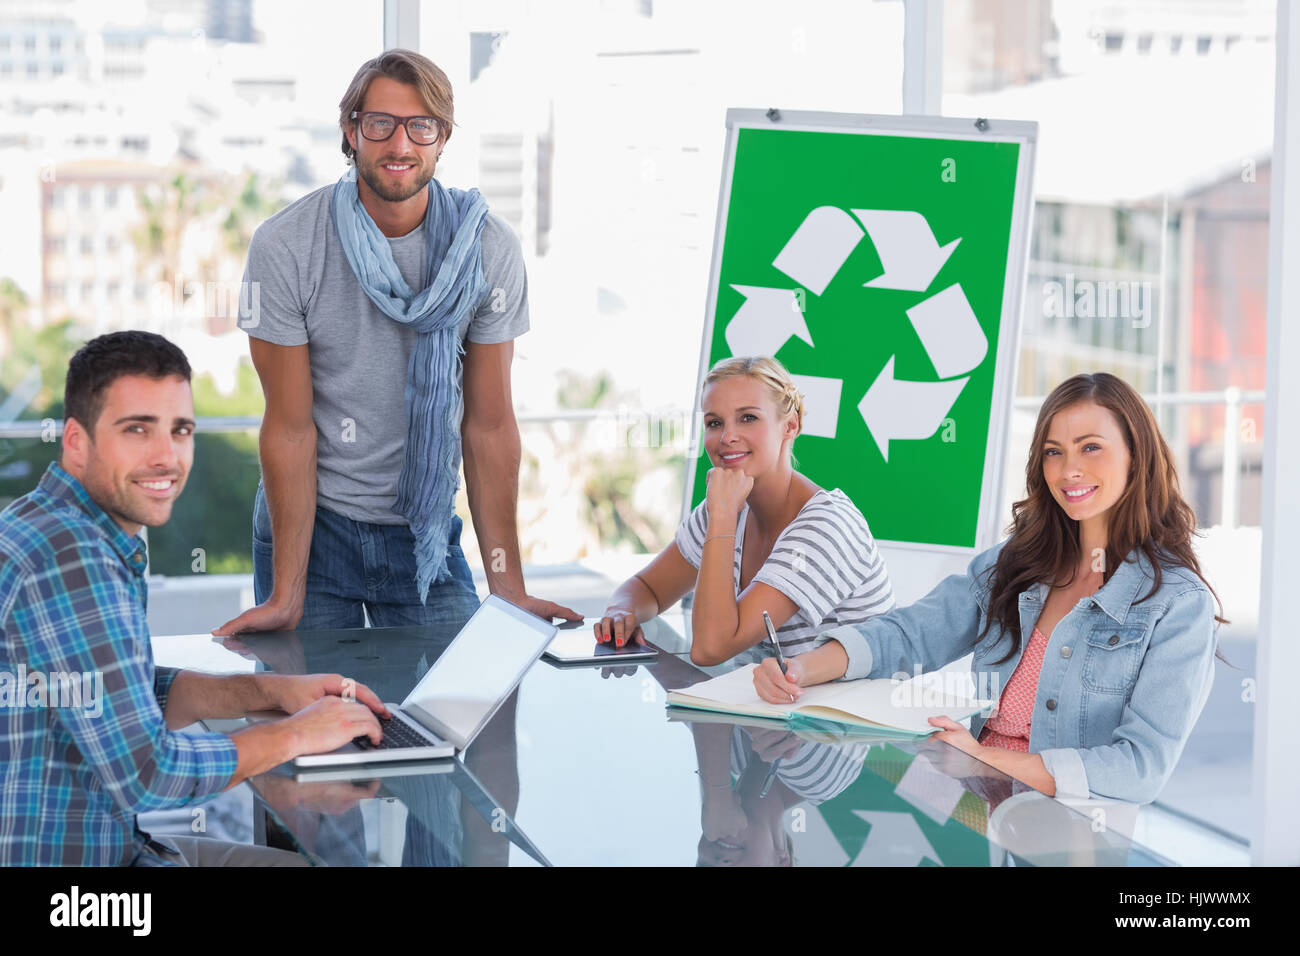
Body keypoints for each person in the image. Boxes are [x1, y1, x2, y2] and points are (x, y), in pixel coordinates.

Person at [215, 49, 578, 638]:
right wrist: (286, 593)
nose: (400, 144)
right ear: (350, 131)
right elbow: (289, 427)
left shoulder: (486, 248)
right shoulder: (285, 246)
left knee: (463, 716)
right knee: (317, 721)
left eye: (421, 126)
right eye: (380, 123)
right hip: (314, 527)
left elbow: (488, 426)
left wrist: (508, 589)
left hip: (427, 530)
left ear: (443, 138)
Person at [0, 332, 390, 866]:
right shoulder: (70, 558)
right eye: (137, 429)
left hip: (108, 846)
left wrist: (269, 691)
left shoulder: (49, 523)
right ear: (75, 440)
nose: (166, 457)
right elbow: (148, 773)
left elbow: (120, 694)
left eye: (180, 430)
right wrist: (296, 735)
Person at [754, 372, 1224, 805]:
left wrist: (981, 759)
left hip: (1065, 836)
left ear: (1136, 455)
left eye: (1091, 447)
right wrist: (800, 668)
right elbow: (912, 633)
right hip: (979, 812)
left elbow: (1140, 767)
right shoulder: (1018, 563)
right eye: (1054, 451)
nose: (1068, 470)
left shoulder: (1178, 605)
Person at [596, 355, 895, 665]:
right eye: (714, 423)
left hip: (837, 709)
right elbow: (648, 588)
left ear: (790, 425)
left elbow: (710, 650)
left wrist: (722, 516)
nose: (727, 437)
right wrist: (621, 610)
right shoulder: (727, 506)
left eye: (748, 417)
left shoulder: (826, 526)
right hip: (766, 702)